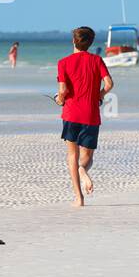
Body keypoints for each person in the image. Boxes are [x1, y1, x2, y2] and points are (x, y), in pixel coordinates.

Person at [56, 27, 113, 207]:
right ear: (90, 43)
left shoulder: (63, 62)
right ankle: (83, 170)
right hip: (90, 114)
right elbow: (110, 84)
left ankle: (79, 197)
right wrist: (100, 95)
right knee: (87, 156)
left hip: (71, 114)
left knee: (72, 154)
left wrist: (59, 99)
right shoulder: (97, 60)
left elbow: (63, 90)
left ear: (74, 41)